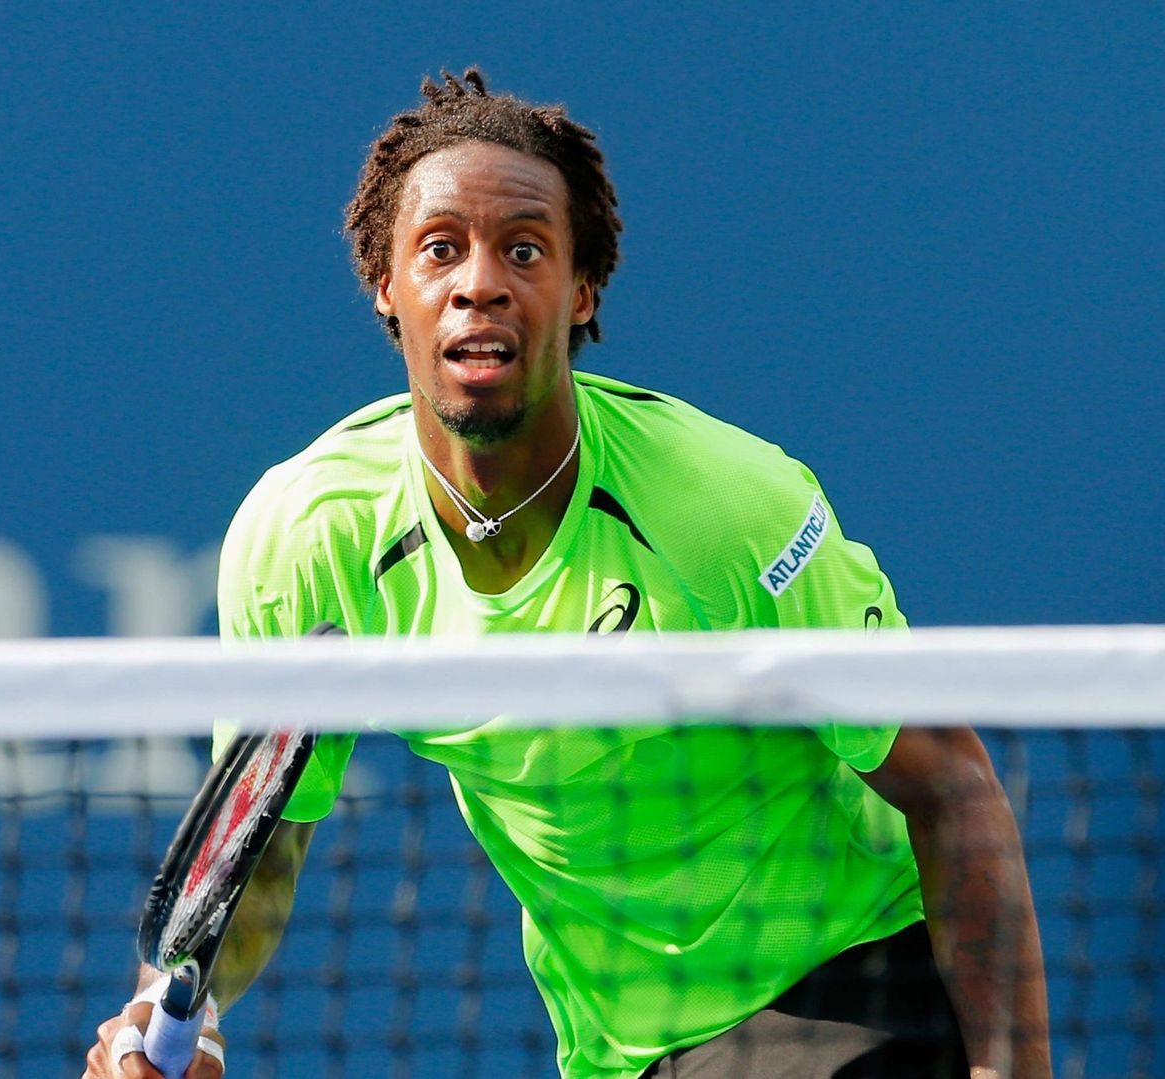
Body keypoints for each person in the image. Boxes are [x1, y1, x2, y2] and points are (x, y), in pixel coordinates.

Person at [85, 69, 1048, 1079]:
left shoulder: (721, 506)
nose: (481, 281)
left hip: (846, 989)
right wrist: (174, 1010)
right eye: (441, 248)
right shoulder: (307, 537)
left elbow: (952, 787)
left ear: (582, 290)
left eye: (526, 249)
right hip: (614, 1048)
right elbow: (260, 847)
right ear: (388, 284)